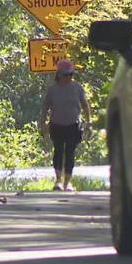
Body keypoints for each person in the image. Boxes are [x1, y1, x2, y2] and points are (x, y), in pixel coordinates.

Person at [40, 59, 91, 191]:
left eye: (71, 74)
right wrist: (43, 123)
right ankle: (58, 180)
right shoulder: (53, 90)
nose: (68, 77)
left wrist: (89, 121)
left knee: (70, 152)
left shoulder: (77, 88)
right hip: (56, 124)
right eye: (66, 74)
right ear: (59, 74)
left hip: (73, 125)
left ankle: (67, 183)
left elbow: (85, 104)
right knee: (58, 151)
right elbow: (46, 106)